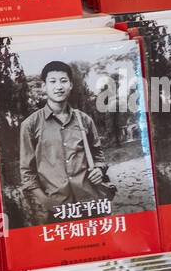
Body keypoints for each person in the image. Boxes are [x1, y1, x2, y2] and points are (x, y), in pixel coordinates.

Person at [18, 60, 111, 223]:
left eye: (63, 81)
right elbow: (27, 171)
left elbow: (98, 156)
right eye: (52, 81)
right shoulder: (30, 125)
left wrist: (99, 169)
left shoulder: (85, 120)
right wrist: (46, 201)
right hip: (57, 208)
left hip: (91, 202)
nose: (58, 86)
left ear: (71, 85)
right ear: (44, 87)